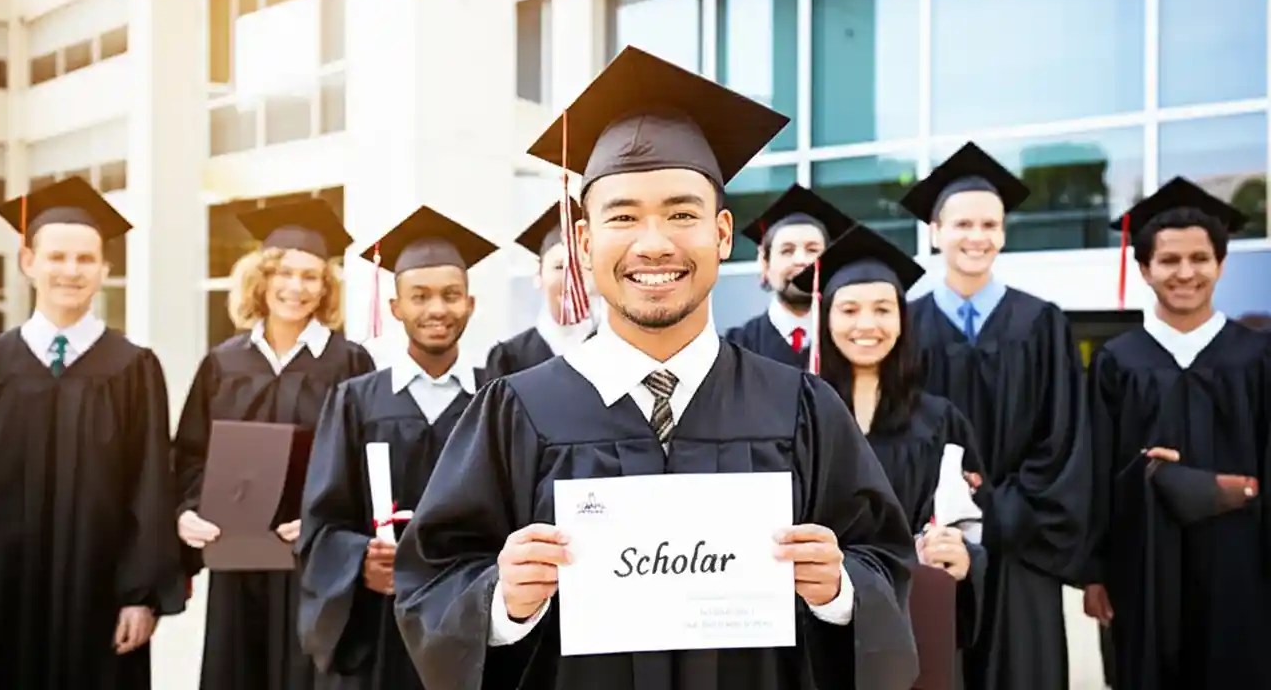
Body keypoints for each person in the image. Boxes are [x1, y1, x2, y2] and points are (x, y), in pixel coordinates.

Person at [392, 46, 918, 690]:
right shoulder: (516, 411)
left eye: (681, 213)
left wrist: (840, 589)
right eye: (622, 217)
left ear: (723, 234)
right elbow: (432, 582)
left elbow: (886, 563)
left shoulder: (802, 406)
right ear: (584, 243)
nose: (654, 243)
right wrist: (501, 603)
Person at [898, 141, 1091, 690]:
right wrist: (940, 511)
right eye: (962, 223)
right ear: (935, 231)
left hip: (1021, 543)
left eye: (990, 224)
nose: (976, 236)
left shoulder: (1043, 324)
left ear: (1004, 233)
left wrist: (995, 512)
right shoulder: (905, 328)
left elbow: (1065, 437)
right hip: (931, 544)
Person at [174, 198, 375, 690]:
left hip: (314, 562)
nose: (295, 287)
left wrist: (323, 520)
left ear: (326, 288)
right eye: (283, 272)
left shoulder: (349, 364)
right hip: (238, 557)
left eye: (311, 276)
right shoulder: (223, 363)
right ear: (260, 279)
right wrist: (188, 511)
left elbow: (368, 464)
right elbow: (191, 454)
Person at [0, 178, 183, 689]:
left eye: (84, 259)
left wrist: (139, 596)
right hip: (0, 591)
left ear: (105, 268)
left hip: (99, 597)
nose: (70, 272)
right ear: (28, 261)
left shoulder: (133, 368)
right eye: (57, 257)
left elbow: (151, 485)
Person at [297, 205, 497, 689]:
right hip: (378, 626)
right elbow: (322, 521)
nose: (436, 310)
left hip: (468, 618)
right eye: (420, 296)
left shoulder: (497, 397)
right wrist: (359, 559)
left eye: (451, 296)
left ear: (470, 303)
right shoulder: (355, 400)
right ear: (395, 308)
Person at [1082, 177, 1270, 688]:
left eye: (1200, 258)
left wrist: (1245, 491)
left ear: (1221, 264)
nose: (1185, 273)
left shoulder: (1256, 357)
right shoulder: (1118, 361)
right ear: (1144, 269)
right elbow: (1095, 468)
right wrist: (1094, 571)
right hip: (1139, 568)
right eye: (1168, 261)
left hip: (1241, 566)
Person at [797, 222, 988, 688]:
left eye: (883, 309)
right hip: (811, 624)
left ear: (903, 319)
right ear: (826, 318)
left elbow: (969, 524)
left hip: (912, 622)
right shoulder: (793, 412)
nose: (867, 325)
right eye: (850, 309)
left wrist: (965, 559)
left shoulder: (939, 420)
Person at [725, 183, 854, 367]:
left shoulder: (854, 344)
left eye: (812, 249)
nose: (801, 260)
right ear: (765, 263)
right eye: (787, 250)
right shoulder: (735, 350)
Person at [479, 197, 596, 383]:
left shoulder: (612, 350)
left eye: (581, 266)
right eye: (559, 267)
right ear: (538, 276)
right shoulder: (509, 358)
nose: (571, 278)